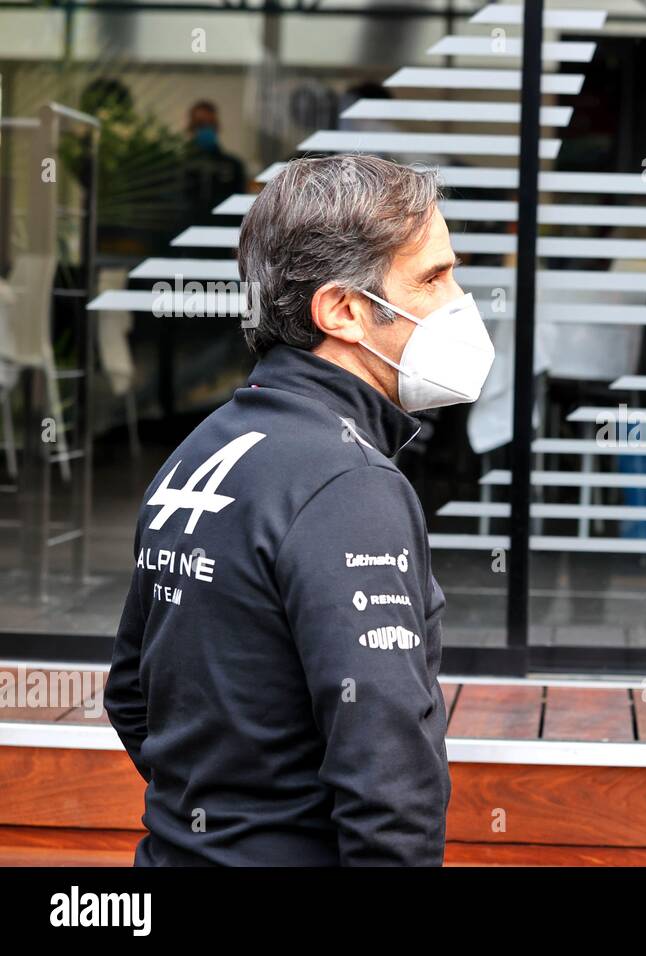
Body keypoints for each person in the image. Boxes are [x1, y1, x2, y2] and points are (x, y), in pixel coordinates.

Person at [105, 155, 493, 865]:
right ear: (342, 310)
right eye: (433, 277)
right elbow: (390, 781)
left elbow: (131, 693)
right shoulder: (348, 483)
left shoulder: (199, 450)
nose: (460, 301)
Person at [181, 100, 247, 226]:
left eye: (210, 124)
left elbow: (239, 205)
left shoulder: (233, 166)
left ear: (217, 127)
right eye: (200, 124)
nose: (206, 129)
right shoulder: (180, 166)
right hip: (187, 232)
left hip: (222, 232)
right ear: (191, 127)